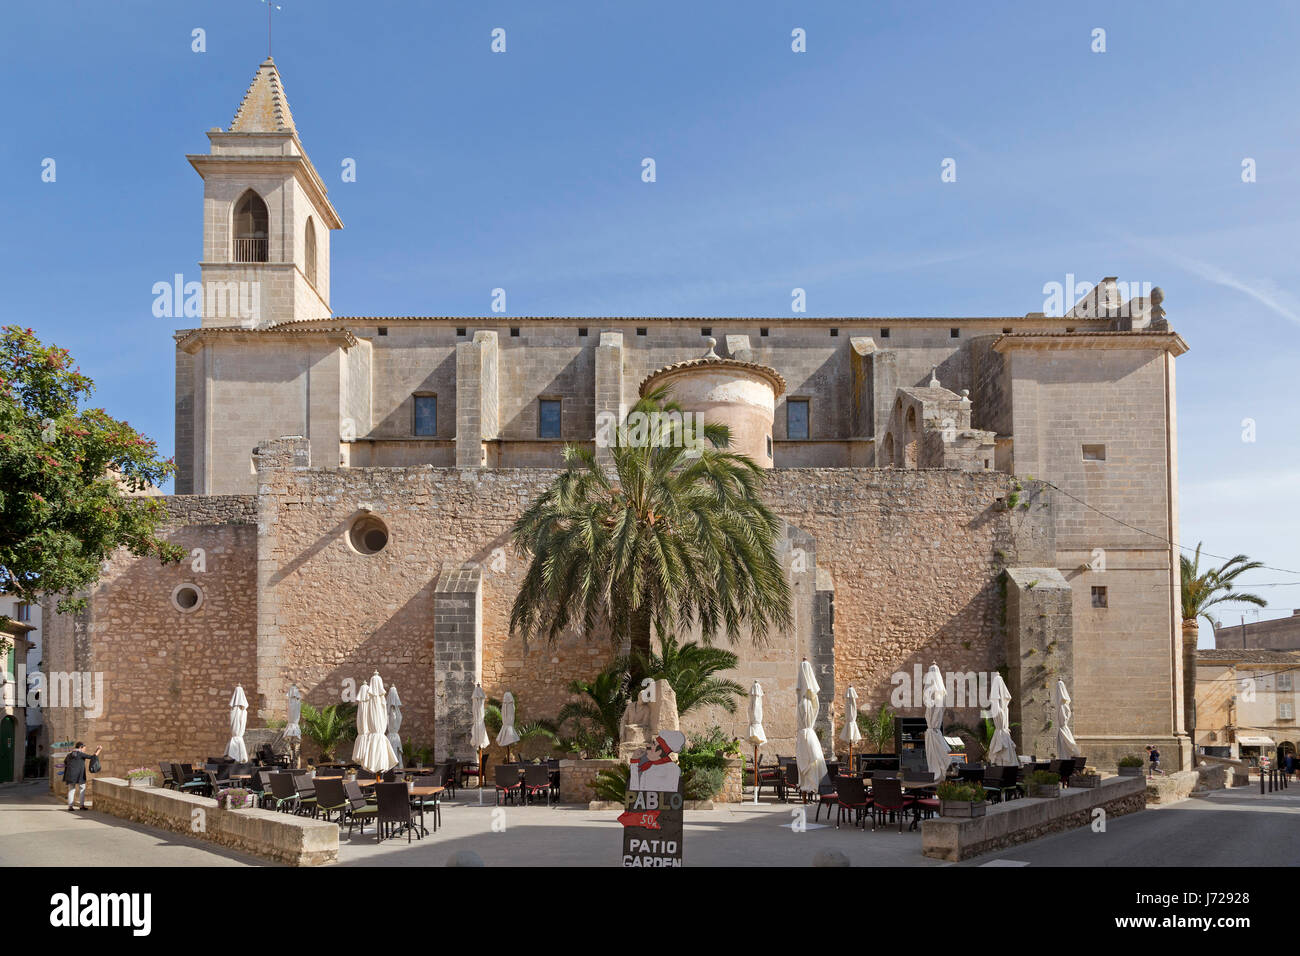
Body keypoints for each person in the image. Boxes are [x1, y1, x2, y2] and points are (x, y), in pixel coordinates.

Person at [61, 742, 101, 812]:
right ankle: (81, 805)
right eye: (84, 748)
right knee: (82, 789)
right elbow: (92, 757)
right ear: (80, 747)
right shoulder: (80, 754)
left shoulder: (69, 754)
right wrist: (98, 749)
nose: (84, 750)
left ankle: (70, 806)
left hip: (70, 775)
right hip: (80, 775)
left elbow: (65, 762)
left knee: (71, 790)